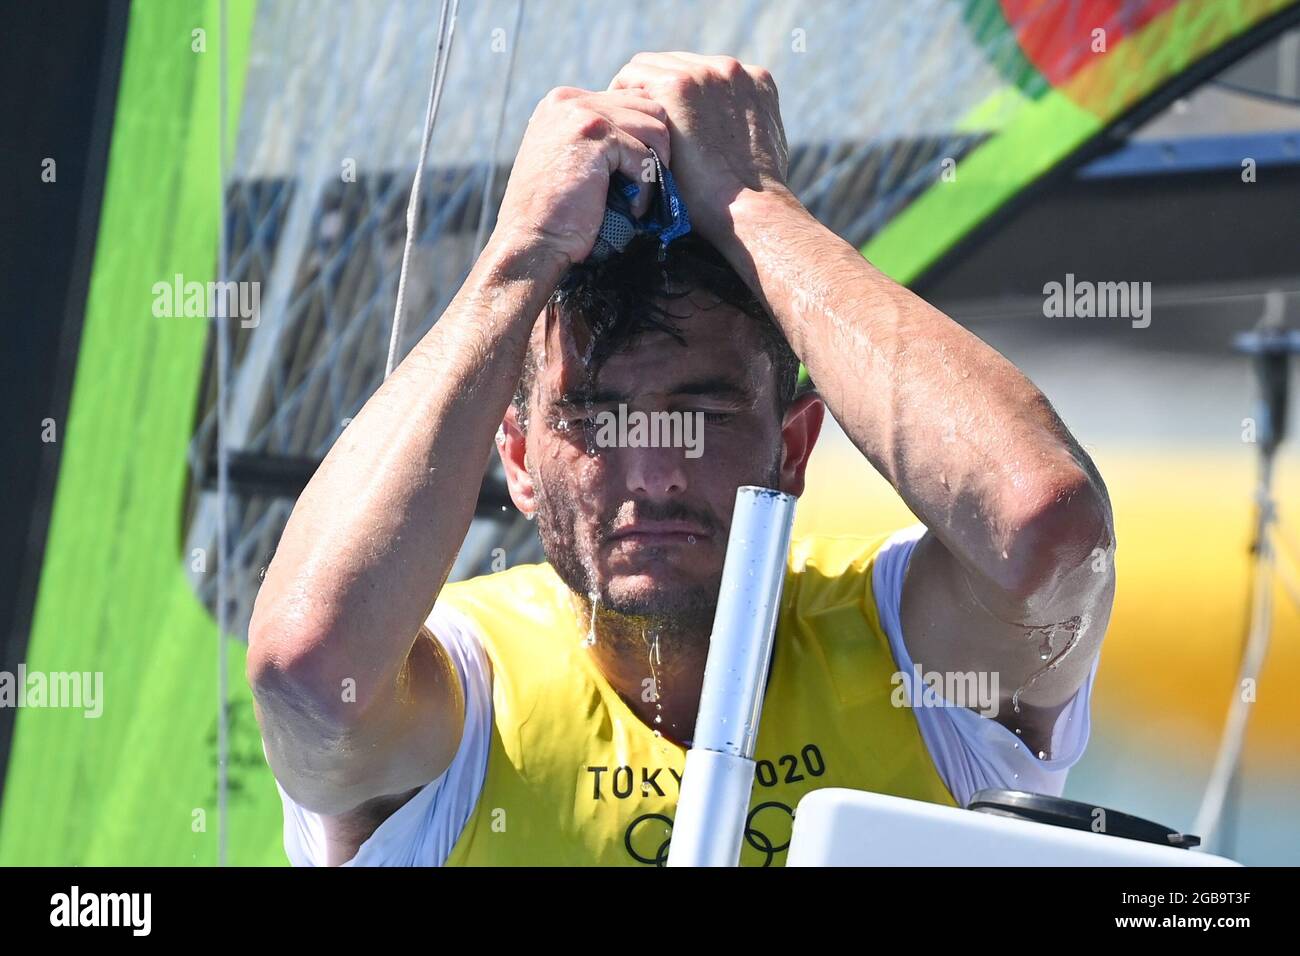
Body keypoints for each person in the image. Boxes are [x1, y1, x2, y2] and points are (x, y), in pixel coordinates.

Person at [248, 52, 1115, 867]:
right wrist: (519, 258)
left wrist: (757, 209)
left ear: (792, 445)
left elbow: (1048, 536)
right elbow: (308, 677)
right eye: (595, 419)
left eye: (700, 412)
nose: (656, 470)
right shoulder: (460, 698)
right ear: (516, 458)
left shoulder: (915, 657)